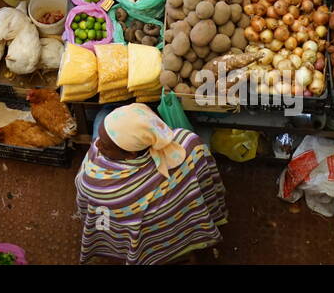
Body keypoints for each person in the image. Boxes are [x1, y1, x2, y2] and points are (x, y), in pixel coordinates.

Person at [75, 104, 227, 265]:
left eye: (105, 144)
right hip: (177, 230)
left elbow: (89, 210)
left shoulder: (95, 182)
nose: (97, 145)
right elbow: (207, 181)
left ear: (131, 154)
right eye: (100, 138)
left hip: (137, 237)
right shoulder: (189, 144)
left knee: (100, 114)